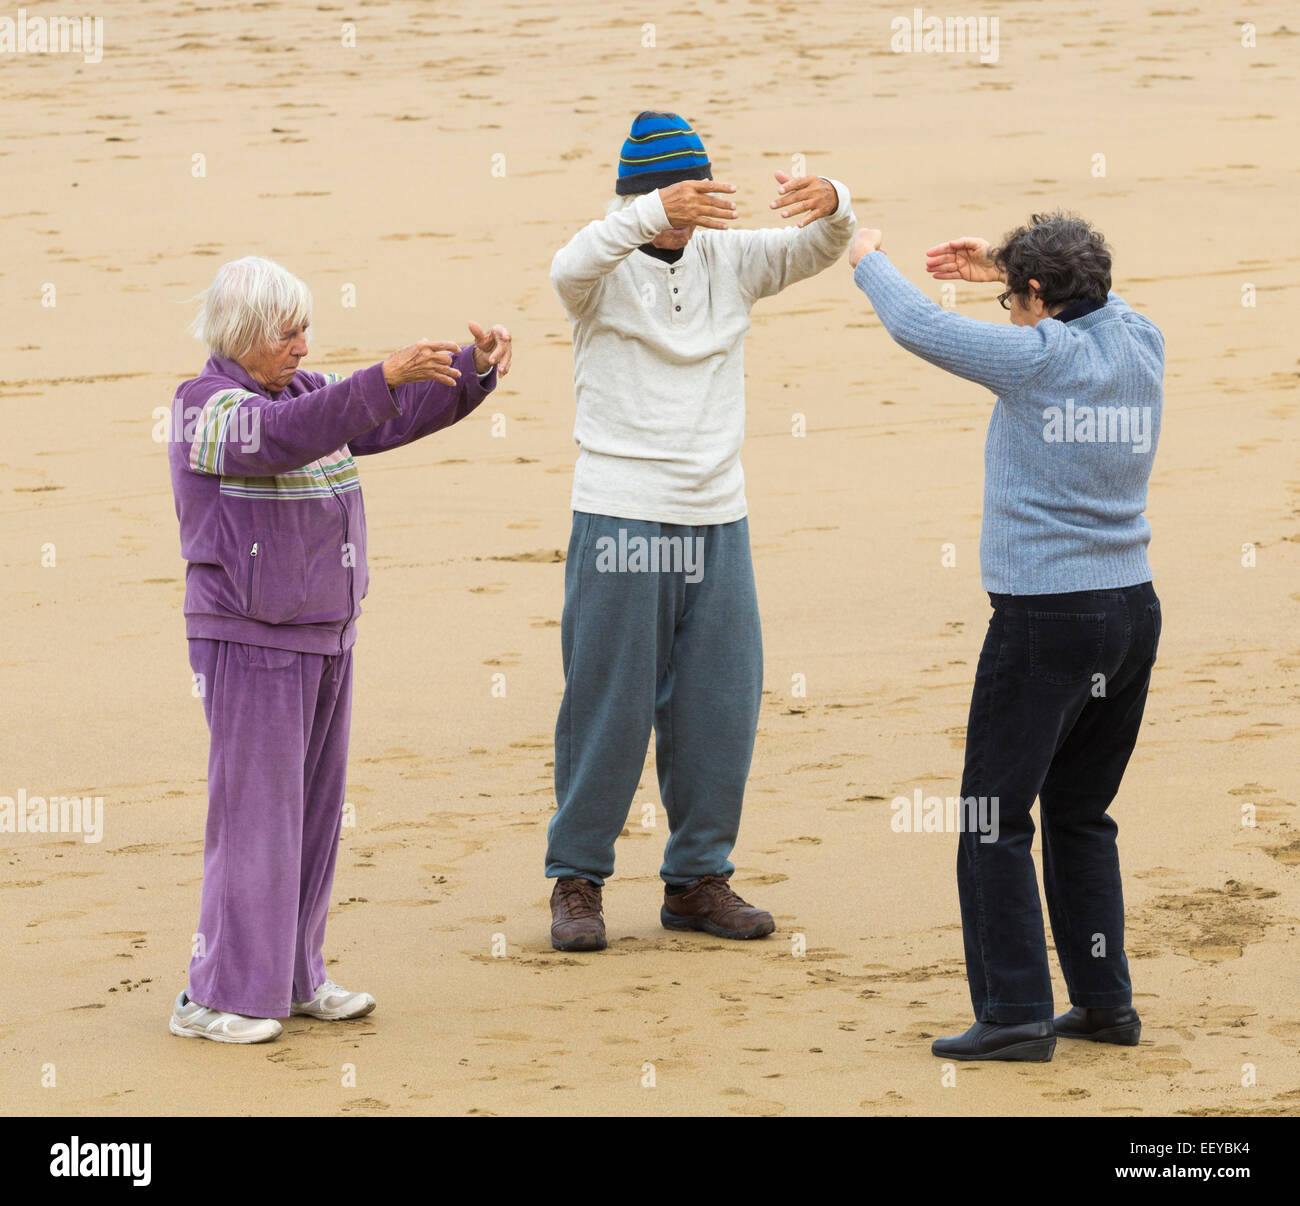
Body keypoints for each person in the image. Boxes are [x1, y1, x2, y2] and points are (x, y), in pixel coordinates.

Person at [167, 255, 511, 1042]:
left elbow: (384, 419)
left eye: (303, 329)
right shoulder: (204, 407)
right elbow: (284, 439)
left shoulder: (311, 396)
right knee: (256, 820)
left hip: (324, 631)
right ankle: (216, 997)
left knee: (312, 819)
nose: (300, 343)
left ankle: (292, 978)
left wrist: (472, 370)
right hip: (248, 637)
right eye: (287, 331)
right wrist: (377, 377)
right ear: (244, 333)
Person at [849, 214, 1163, 1061]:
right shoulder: (1142, 340)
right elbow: (1094, 298)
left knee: (993, 816)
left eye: (1014, 297)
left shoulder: (1038, 359)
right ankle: (1103, 1003)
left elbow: (922, 326)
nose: (1009, 311)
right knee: (1081, 812)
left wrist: (864, 256)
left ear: (1036, 299)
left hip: (1046, 619)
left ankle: (1017, 1012)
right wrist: (1013, 268)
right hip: (1132, 611)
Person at [546, 111, 857, 951]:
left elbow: (819, 248)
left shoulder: (734, 258)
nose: (692, 205)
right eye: (674, 191)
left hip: (718, 510)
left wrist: (835, 203)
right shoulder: (601, 266)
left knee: (721, 701)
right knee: (609, 701)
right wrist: (651, 213)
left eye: (699, 188)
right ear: (641, 197)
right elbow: (566, 265)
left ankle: (697, 881)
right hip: (621, 509)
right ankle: (576, 881)